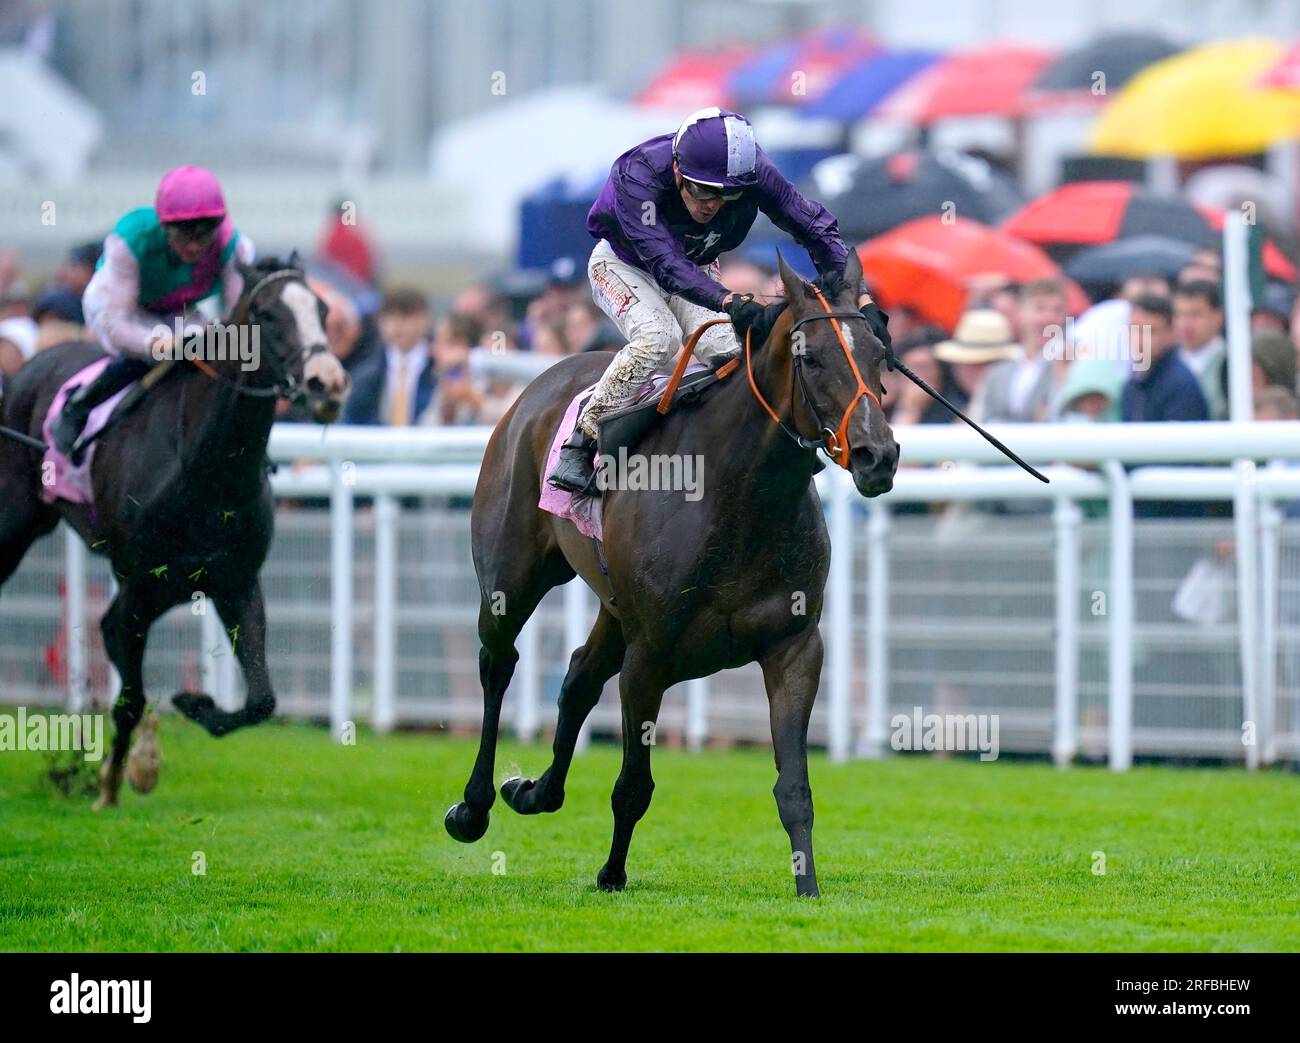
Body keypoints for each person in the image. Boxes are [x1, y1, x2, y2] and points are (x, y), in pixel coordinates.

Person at [547, 107, 880, 494]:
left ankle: (769, 446)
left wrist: (861, 299)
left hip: (694, 266)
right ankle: (581, 441)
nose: (713, 205)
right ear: (676, 169)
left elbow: (813, 225)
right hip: (623, 264)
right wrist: (726, 300)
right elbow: (665, 264)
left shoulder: (754, 172)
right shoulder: (636, 175)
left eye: (728, 196)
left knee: (735, 356)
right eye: (703, 191)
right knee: (659, 338)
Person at [49, 166, 255, 459]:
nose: (194, 244)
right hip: (118, 306)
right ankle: (78, 407)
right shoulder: (132, 240)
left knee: (216, 349)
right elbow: (118, 323)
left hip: (178, 309)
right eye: (182, 233)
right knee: (153, 353)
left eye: (204, 232)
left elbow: (235, 321)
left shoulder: (233, 245)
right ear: (162, 225)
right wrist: (159, 346)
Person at [342, 289, 435, 426]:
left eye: (405, 316)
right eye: (389, 317)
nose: (396, 325)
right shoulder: (365, 374)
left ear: (423, 320)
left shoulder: (438, 368)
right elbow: (352, 419)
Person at [1172, 280, 1226, 420]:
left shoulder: (1230, 362)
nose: (1186, 324)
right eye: (1180, 315)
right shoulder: (1166, 363)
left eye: (1195, 315)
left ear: (1218, 317)